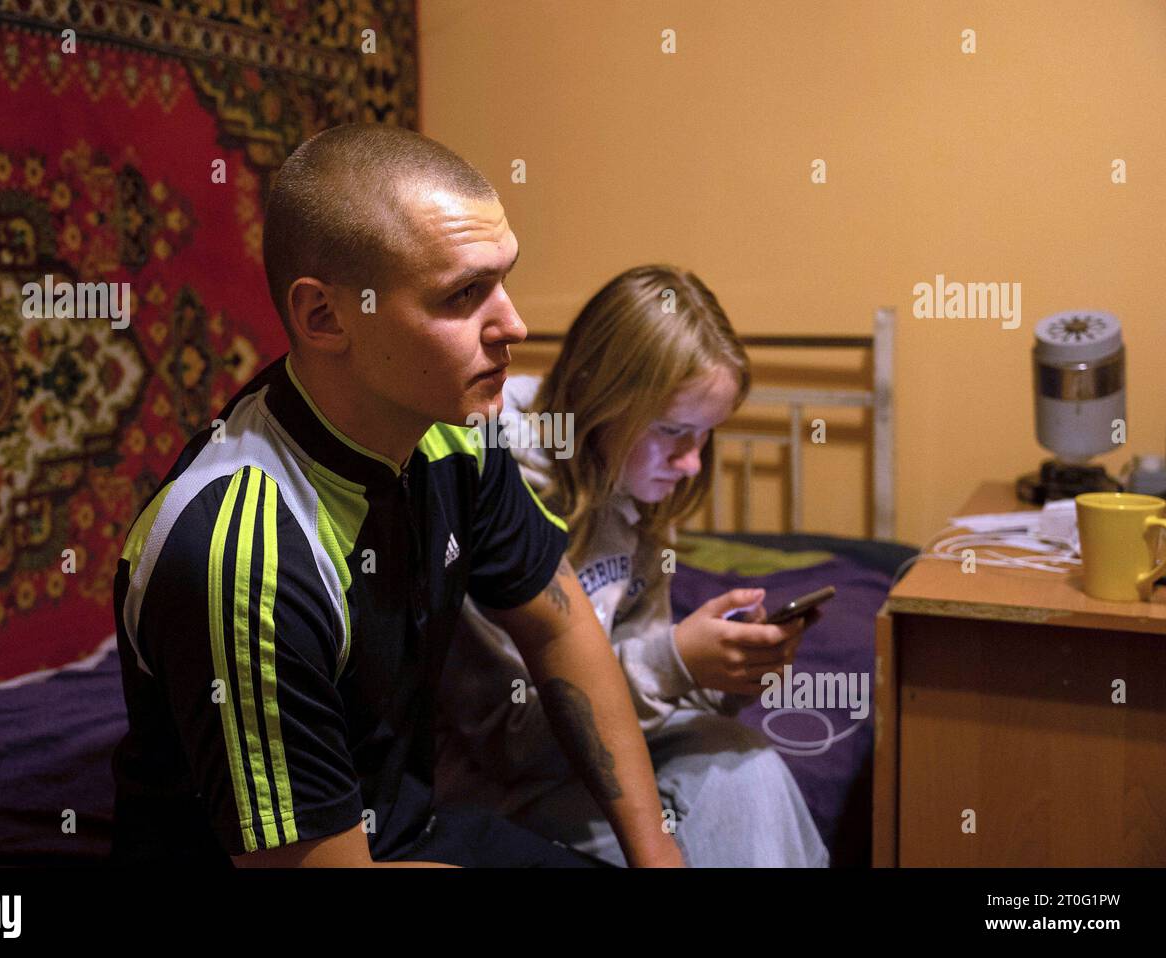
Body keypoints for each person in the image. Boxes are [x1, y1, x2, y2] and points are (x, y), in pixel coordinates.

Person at [108, 125, 685, 867]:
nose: (514, 325)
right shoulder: (246, 555)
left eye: (503, 279)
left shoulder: (453, 431)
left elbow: (557, 622)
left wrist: (657, 852)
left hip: (411, 834)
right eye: (463, 295)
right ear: (324, 317)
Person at [435, 265, 831, 867]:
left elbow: (641, 665)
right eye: (673, 430)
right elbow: (510, 743)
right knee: (734, 787)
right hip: (505, 787)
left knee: (745, 762)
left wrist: (719, 670)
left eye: (706, 436)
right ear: (600, 397)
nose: (692, 464)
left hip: (610, 761)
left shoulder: (635, 487)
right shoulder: (491, 485)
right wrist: (675, 663)